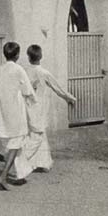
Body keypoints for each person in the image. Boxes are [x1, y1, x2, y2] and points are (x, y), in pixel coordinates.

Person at [22, 44, 76, 172]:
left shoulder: (25, 72)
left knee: (37, 133)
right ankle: (21, 157)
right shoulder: (44, 72)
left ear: (29, 57)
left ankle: (42, 162)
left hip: (27, 106)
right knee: (38, 134)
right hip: (39, 107)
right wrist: (70, 98)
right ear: (41, 56)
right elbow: (58, 88)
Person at [0, 41, 36, 188]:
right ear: (17, 55)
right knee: (16, 144)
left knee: (13, 143)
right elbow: (27, 91)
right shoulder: (19, 70)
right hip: (16, 111)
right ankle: (3, 176)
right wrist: (33, 100)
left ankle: (22, 173)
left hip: (3, 111)